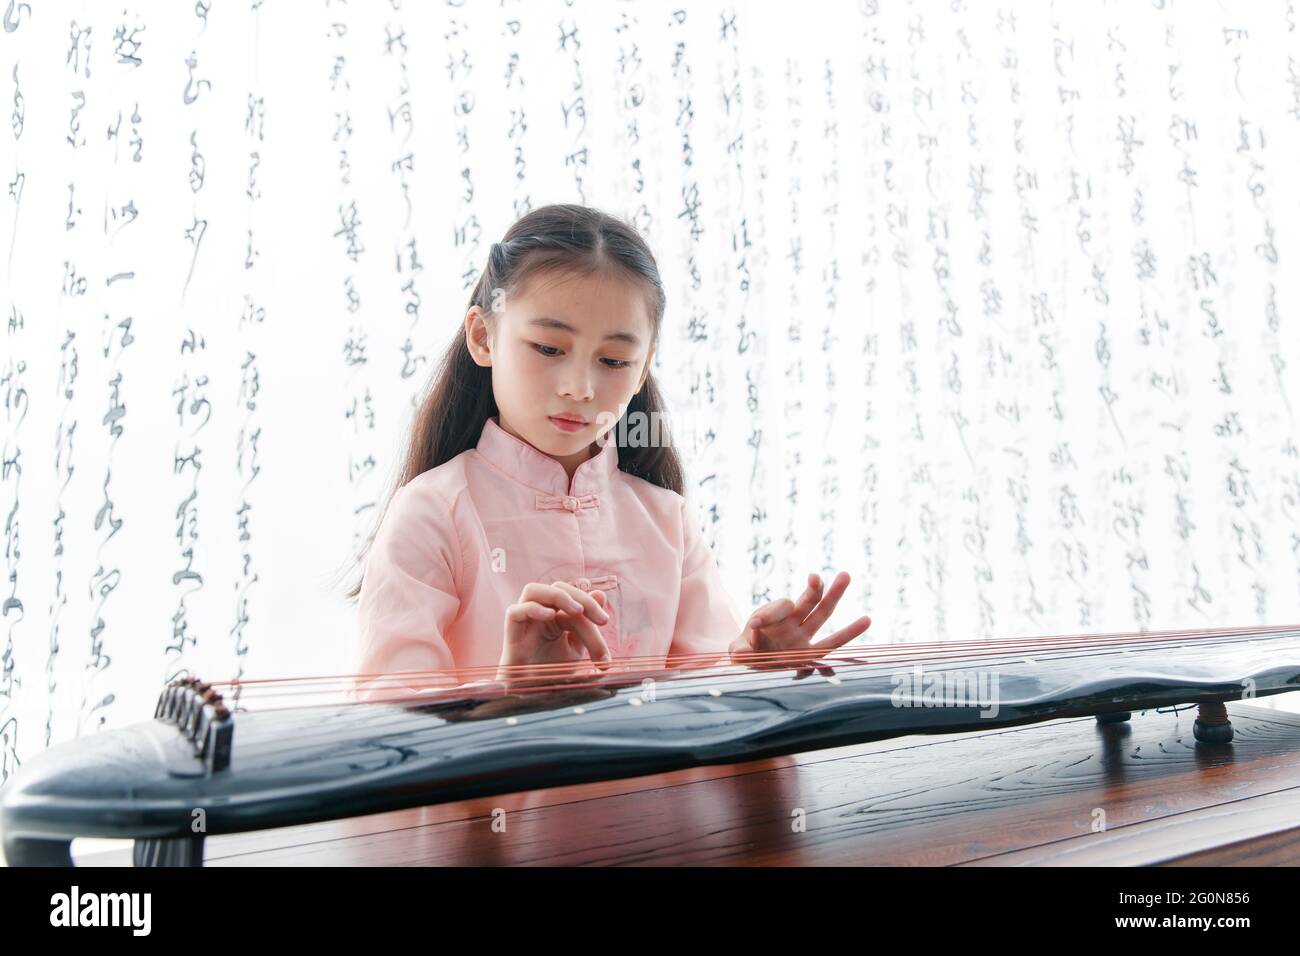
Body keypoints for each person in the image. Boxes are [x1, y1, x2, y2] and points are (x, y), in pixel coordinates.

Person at [347, 204, 871, 702]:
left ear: (644, 368)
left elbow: (704, 701)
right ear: (483, 336)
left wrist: (755, 671)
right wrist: (508, 698)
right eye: (549, 349)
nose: (580, 387)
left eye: (615, 360)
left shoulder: (665, 519)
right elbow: (392, 726)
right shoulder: (433, 511)